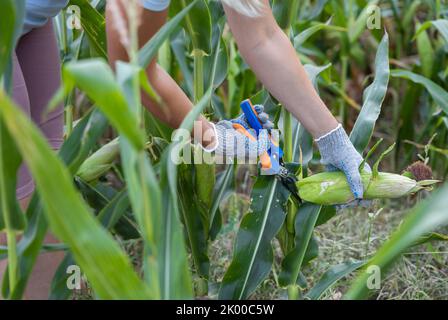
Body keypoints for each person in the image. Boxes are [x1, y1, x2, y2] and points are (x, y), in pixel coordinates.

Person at [1, 0, 368, 299]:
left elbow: (263, 35)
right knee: (15, 204)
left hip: (29, 18)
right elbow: (131, 67)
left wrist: (332, 136)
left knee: (47, 182)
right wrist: (211, 136)